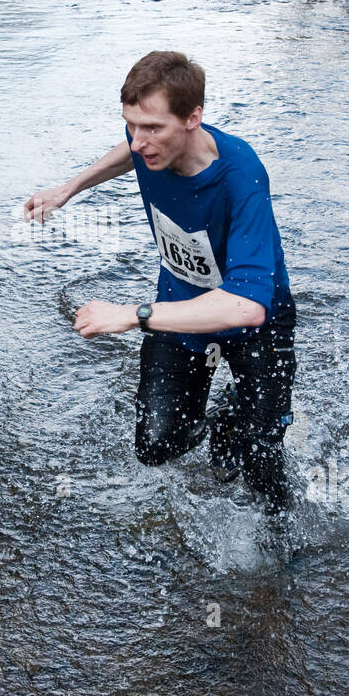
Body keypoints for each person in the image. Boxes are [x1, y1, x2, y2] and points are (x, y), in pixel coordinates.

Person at [23, 50, 297, 514]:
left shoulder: (240, 175)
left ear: (193, 118)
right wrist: (68, 189)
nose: (139, 142)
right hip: (182, 308)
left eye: (153, 129)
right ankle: (223, 415)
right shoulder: (148, 147)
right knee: (155, 447)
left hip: (255, 325)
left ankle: (281, 566)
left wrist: (133, 315)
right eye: (132, 125)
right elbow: (125, 154)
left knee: (259, 463)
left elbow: (249, 307)